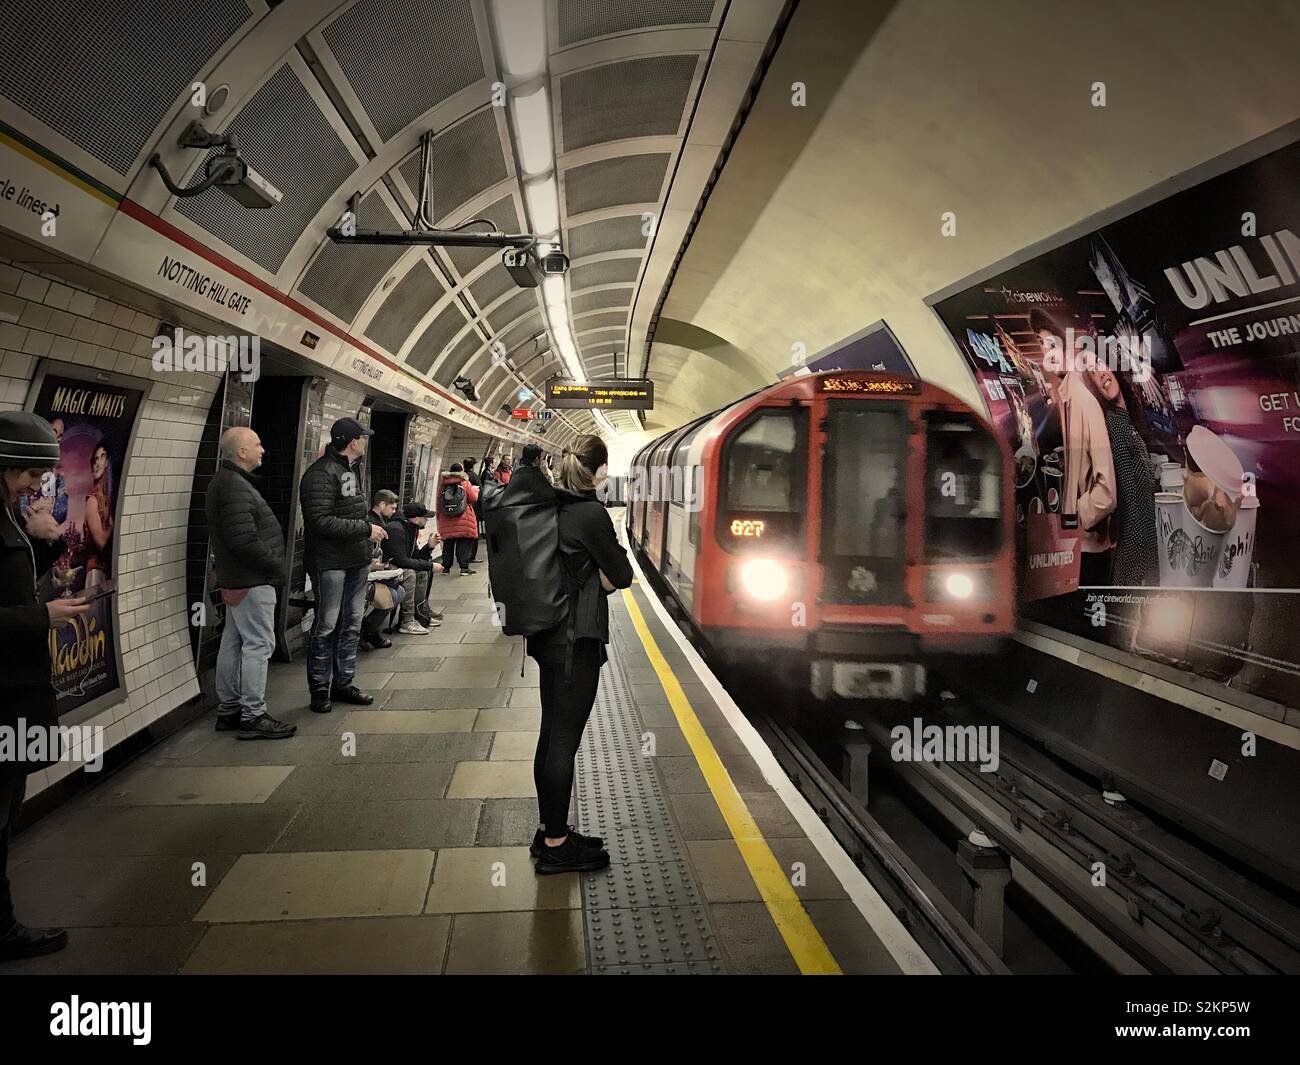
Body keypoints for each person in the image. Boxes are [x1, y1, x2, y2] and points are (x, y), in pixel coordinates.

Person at [0, 412, 89, 960]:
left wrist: (48, 549)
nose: (39, 484)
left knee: (6, 807)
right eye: (33, 472)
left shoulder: (9, 517)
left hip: (16, 686)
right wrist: (41, 617)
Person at [528, 434, 633, 875]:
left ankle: (550, 831)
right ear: (600, 472)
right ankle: (556, 843)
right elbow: (622, 574)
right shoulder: (591, 513)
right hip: (577, 640)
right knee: (564, 740)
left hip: (548, 636)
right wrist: (601, 577)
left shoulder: (552, 505)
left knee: (551, 730)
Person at [207, 427, 295, 739]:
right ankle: (253, 715)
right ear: (241, 452)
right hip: (251, 579)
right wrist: (275, 566)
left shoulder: (229, 482)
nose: (263, 450)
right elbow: (243, 539)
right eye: (257, 445)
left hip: (238, 578)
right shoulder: (233, 486)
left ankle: (229, 709)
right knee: (259, 644)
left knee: (232, 642)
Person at [299, 418, 385, 714]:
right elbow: (320, 521)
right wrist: (365, 529)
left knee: (351, 624)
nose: (366, 441)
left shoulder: (349, 470)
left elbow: (348, 512)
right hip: (331, 563)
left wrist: (367, 533)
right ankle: (320, 689)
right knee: (326, 626)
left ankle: (343, 682)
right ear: (352, 442)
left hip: (356, 560)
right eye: (363, 437)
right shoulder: (320, 475)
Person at [1031, 310, 1116, 586]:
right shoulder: (1067, 399)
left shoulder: (1083, 402)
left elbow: (1107, 491)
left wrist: (1072, 518)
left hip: (1091, 552)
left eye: (1052, 344)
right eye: (1043, 347)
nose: (1048, 354)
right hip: (1078, 548)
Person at [1088, 367, 1158, 586]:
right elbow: (1130, 500)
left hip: (1147, 538)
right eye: (1092, 373)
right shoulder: (1115, 426)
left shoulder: (1127, 418)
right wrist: (1145, 549)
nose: (1100, 374)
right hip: (1139, 546)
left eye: (1100, 365)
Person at [384, 501, 443, 633]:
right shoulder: (396, 529)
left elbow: (415, 556)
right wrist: (430, 565)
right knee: (409, 573)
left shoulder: (410, 528)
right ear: (416, 518)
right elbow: (401, 560)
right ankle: (407, 621)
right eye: (425, 517)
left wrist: (429, 546)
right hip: (387, 566)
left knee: (422, 572)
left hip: (398, 564)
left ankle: (421, 614)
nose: (427, 520)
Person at [359, 489, 401, 650]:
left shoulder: (378, 521)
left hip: (372, 571)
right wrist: (373, 564)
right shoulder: (372, 523)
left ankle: (370, 630)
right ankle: (368, 631)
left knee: (399, 591)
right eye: (392, 508)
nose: (394, 512)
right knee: (392, 594)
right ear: (382, 504)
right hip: (364, 575)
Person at [436, 463, 480, 576]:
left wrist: (439, 516)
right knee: (464, 543)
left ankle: (445, 568)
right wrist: (476, 491)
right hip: (463, 517)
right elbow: (472, 498)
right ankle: (464, 568)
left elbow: (438, 501)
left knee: (448, 544)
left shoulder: (443, 484)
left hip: (446, 518)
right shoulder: (465, 482)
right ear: (462, 471)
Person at [81, 440, 114, 591]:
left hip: (107, 572)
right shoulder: (92, 500)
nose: (98, 463)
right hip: (96, 573)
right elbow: (101, 541)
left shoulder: (107, 498)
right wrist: (112, 525)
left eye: (102, 457)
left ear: (107, 462)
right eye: (95, 459)